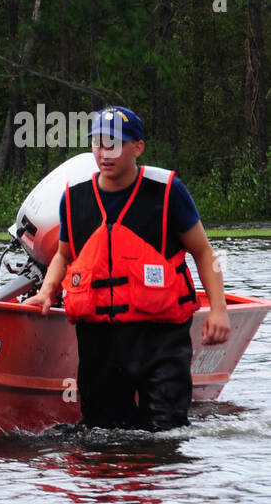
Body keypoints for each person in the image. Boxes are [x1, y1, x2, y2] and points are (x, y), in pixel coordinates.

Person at [27, 106, 230, 430]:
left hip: (161, 338)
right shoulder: (74, 199)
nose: (105, 152)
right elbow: (64, 256)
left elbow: (204, 253)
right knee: (104, 435)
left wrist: (218, 310)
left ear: (137, 147)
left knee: (167, 433)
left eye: (115, 143)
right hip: (101, 342)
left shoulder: (167, 192)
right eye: (99, 143)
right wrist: (47, 290)